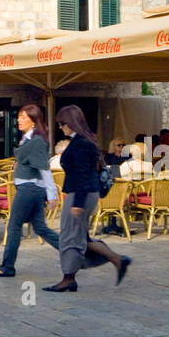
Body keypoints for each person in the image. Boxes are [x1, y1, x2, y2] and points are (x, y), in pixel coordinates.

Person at [42, 105, 130, 292]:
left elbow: (82, 174)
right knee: (80, 236)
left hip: (79, 194)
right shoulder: (85, 141)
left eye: (62, 123)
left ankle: (68, 277)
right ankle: (117, 260)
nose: (60, 127)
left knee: (70, 237)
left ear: (71, 123)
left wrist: (78, 203)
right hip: (85, 193)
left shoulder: (81, 144)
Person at [0, 104, 60, 278]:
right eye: (19, 116)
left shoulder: (36, 141)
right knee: (41, 228)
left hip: (29, 189)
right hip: (32, 189)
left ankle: (7, 267)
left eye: (24, 117)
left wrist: (52, 195)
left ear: (34, 121)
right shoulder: (29, 139)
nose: (19, 120)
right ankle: (74, 253)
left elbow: (44, 169)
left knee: (13, 226)